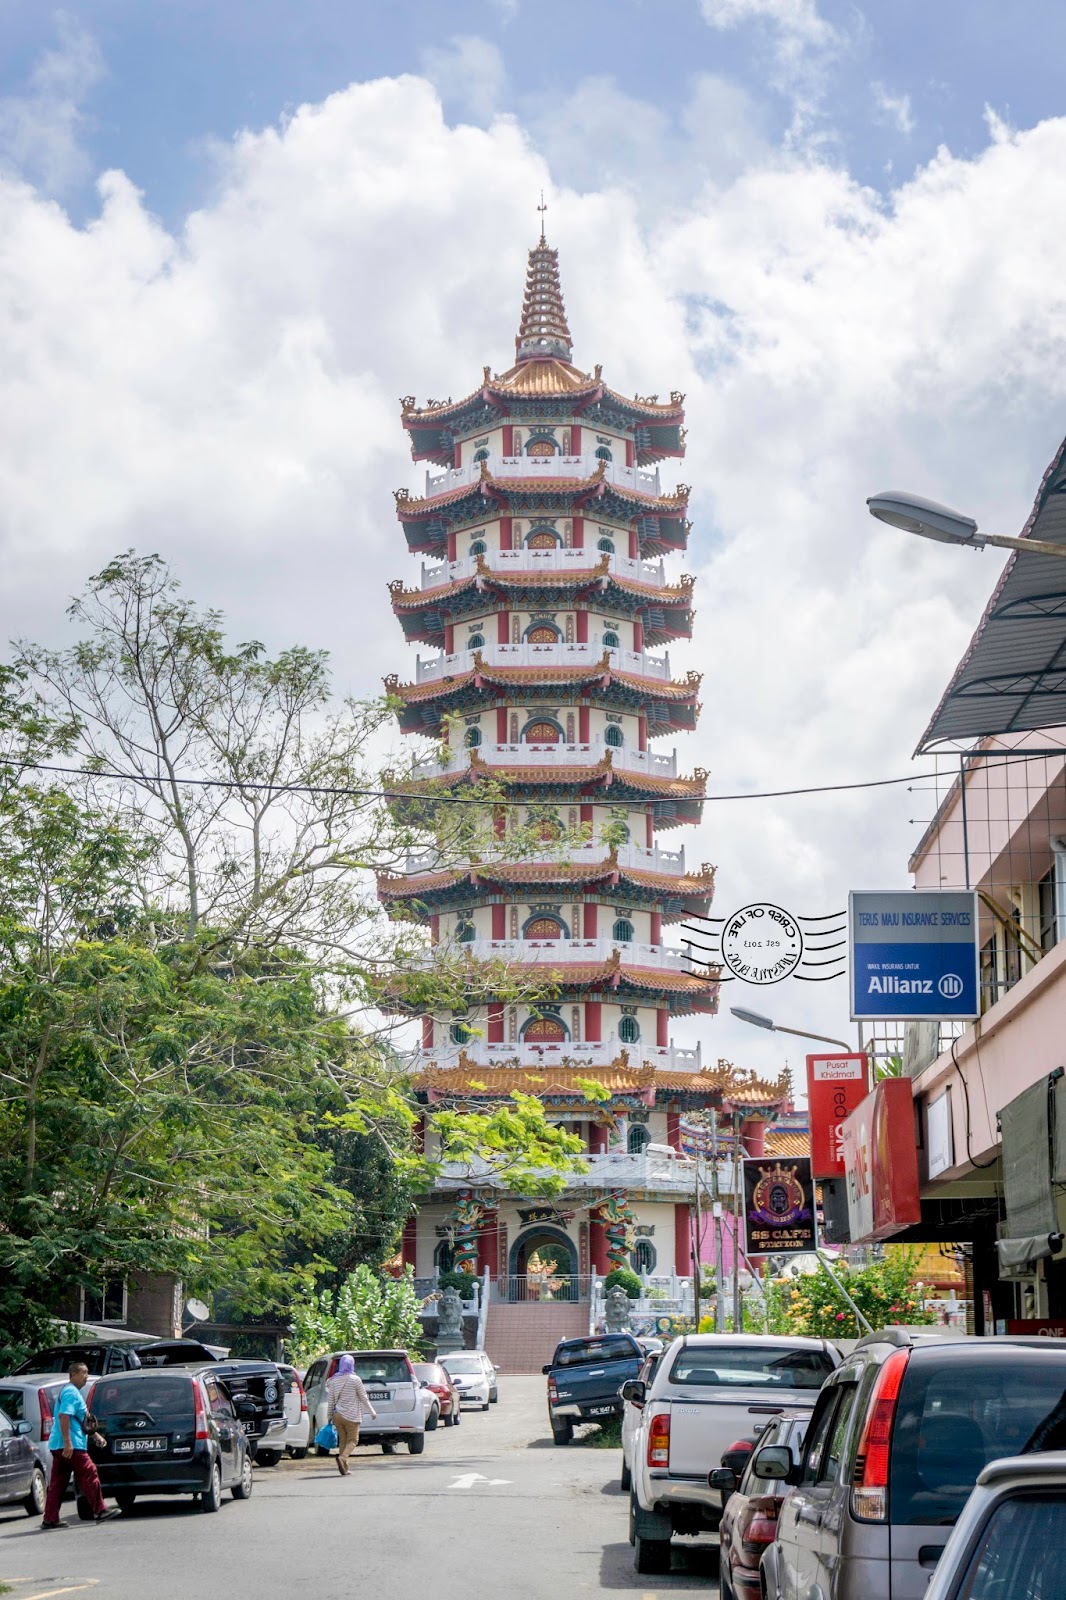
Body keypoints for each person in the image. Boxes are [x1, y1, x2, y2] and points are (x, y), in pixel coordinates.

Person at [41, 1359, 120, 1529]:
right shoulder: (71, 1392)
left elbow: (82, 1420)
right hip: (71, 1445)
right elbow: (64, 1416)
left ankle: (50, 1518)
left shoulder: (73, 1393)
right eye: (83, 1373)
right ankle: (100, 1510)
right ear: (73, 1375)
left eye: (87, 1372)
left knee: (58, 1482)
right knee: (89, 1472)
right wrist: (68, 1443)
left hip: (59, 1444)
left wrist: (96, 1436)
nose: (86, 1376)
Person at [325, 1354, 377, 1476]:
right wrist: (372, 1411)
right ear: (352, 1365)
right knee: (353, 1440)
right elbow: (363, 1397)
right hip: (352, 1415)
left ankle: (344, 1468)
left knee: (343, 1441)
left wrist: (329, 1416)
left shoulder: (333, 1380)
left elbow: (331, 1400)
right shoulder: (355, 1380)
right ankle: (342, 1459)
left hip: (337, 1415)